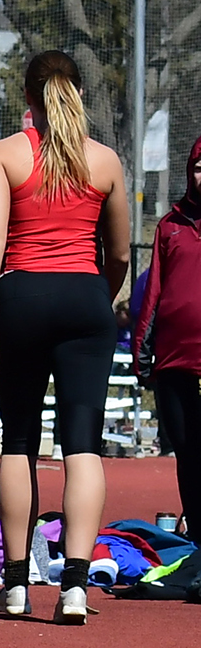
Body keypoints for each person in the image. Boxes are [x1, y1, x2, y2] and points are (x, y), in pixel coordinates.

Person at [0, 50, 129, 625]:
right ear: (78, 94)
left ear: (28, 100)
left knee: (19, 440)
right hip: (86, 299)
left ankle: (15, 585)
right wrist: (95, 302)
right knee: (82, 443)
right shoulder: (105, 160)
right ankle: (77, 588)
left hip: (22, 299)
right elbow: (120, 254)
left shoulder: (6, 154)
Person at [133, 134, 201, 533]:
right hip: (175, 362)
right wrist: (143, 353)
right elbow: (154, 291)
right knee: (188, 455)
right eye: (197, 166)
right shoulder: (170, 226)